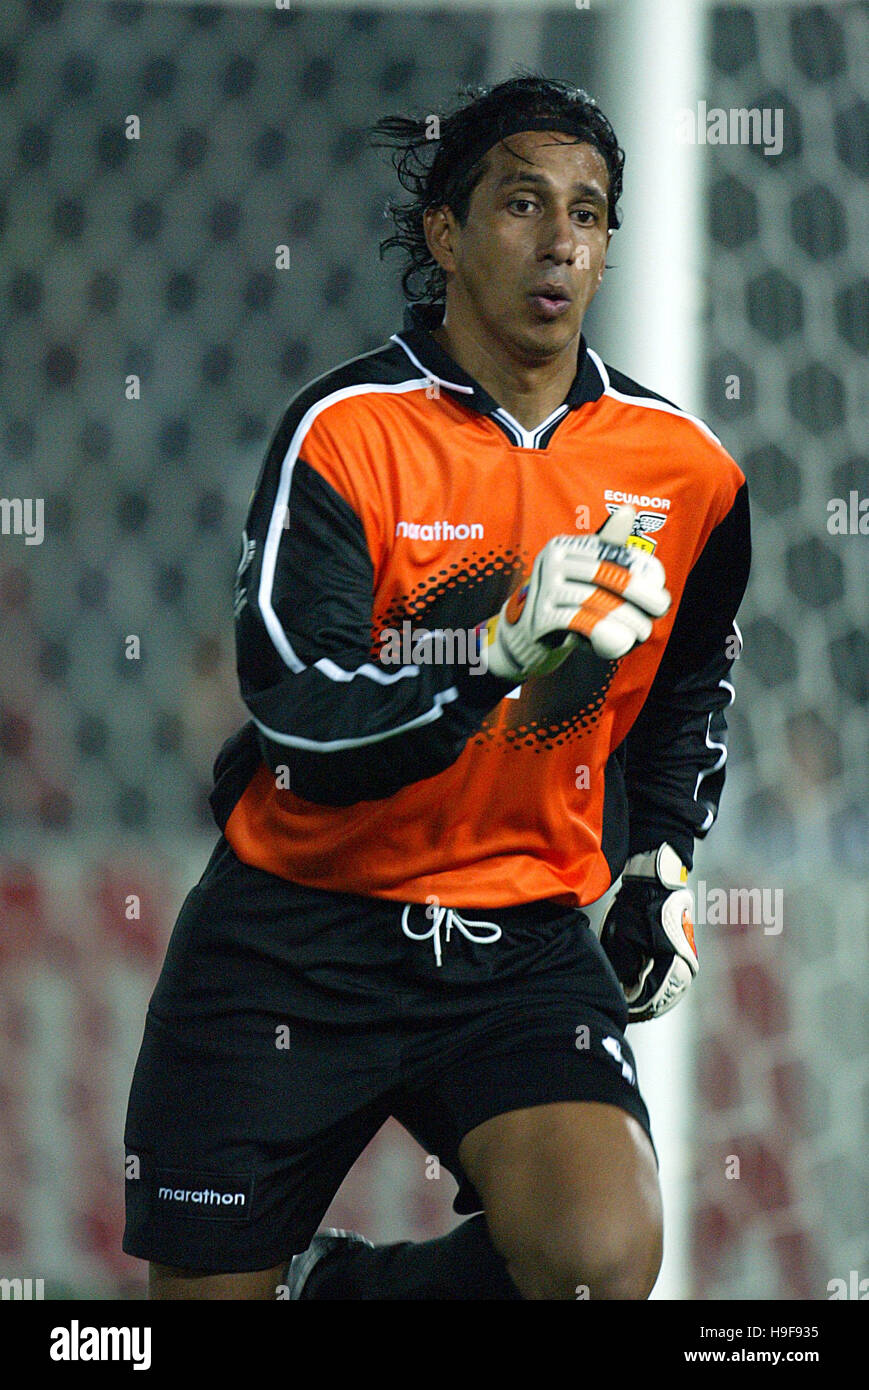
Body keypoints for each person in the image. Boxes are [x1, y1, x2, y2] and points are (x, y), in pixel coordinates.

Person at [123, 74, 750, 1300]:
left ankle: (348, 1294)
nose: (559, 238)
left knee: (597, 1262)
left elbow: (686, 691)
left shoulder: (686, 473)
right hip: (295, 932)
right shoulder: (348, 434)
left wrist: (660, 857)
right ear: (446, 236)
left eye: (587, 211)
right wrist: (491, 658)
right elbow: (295, 709)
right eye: (522, 203)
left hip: (517, 943)